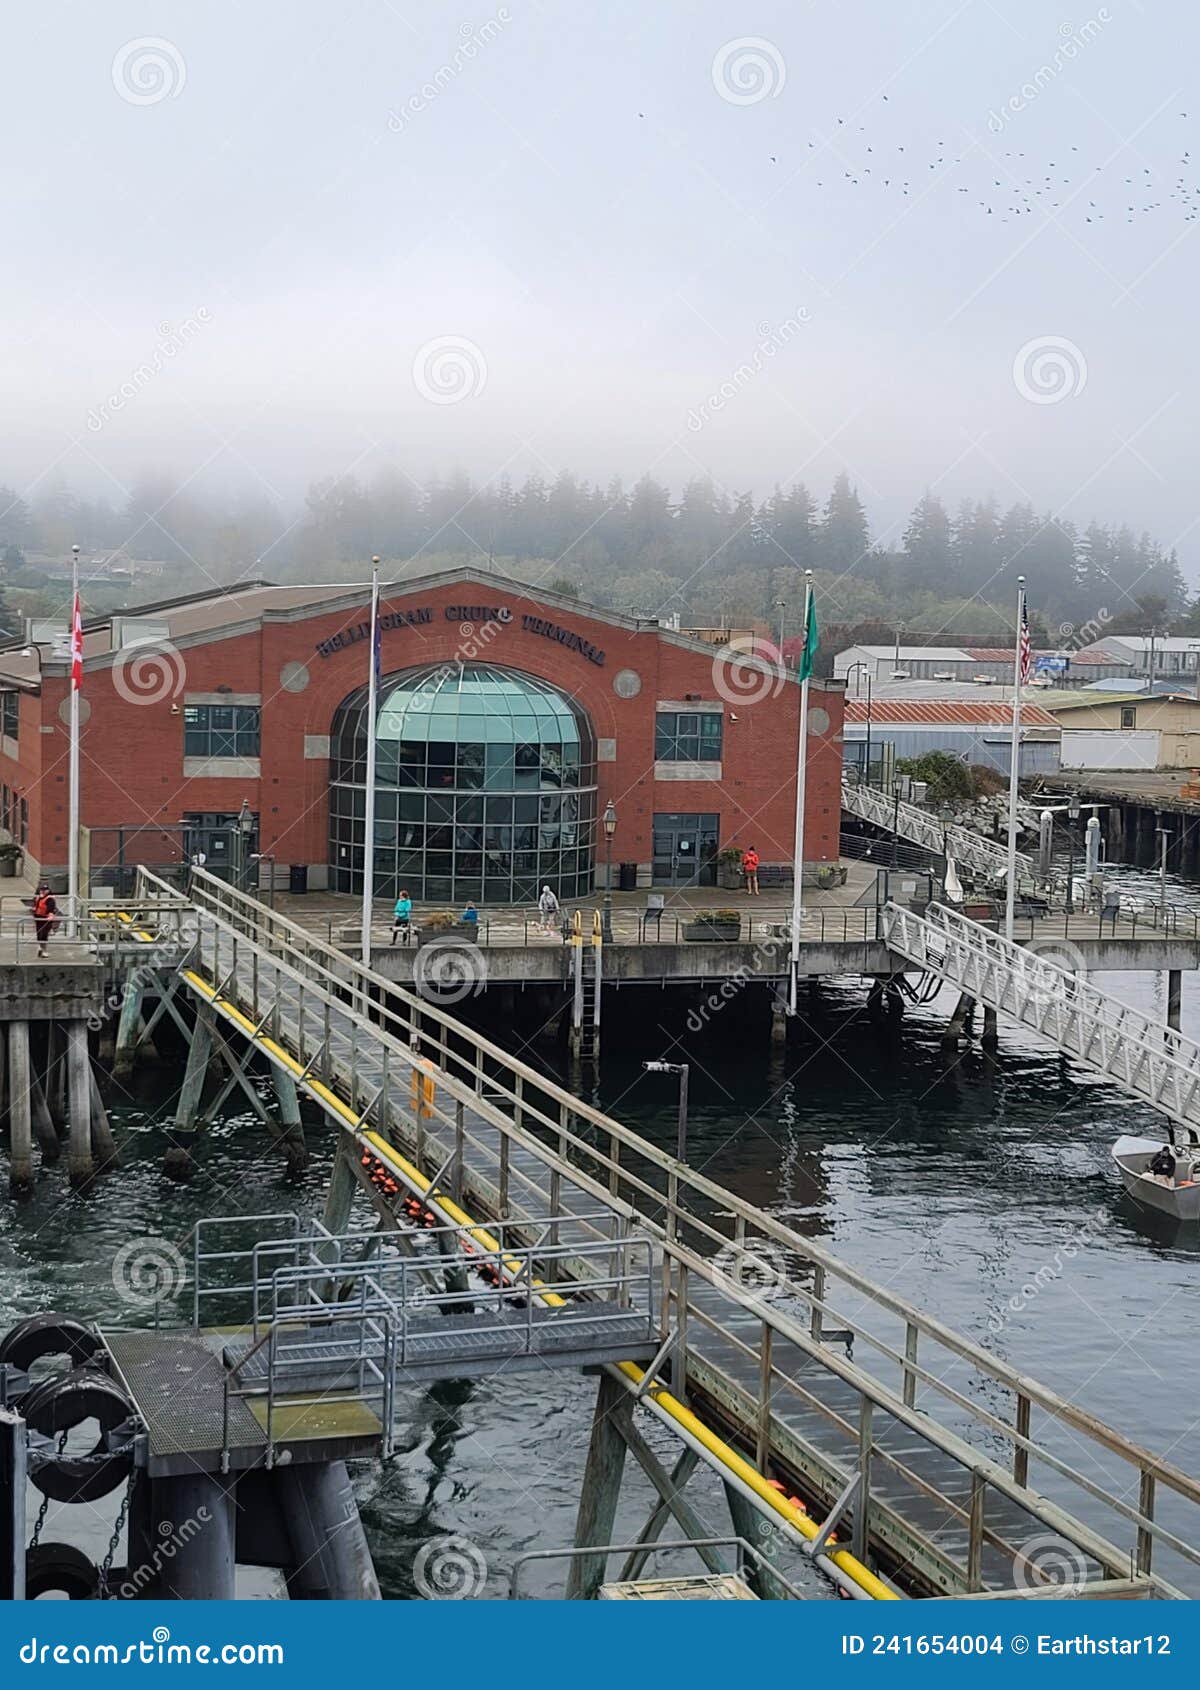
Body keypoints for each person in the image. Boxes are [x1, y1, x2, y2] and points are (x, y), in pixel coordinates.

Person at [31, 881, 58, 957]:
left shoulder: (50, 899)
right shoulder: (38, 897)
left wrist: (50, 914)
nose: (42, 891)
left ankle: (44, 950)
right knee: (39, 934)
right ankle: (40, 948)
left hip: (45, 918)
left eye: (44, 890)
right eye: (41, 890)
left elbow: (51, 908)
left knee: (44, 935)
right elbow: (35, 905)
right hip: (38, 917)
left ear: (48, 890)